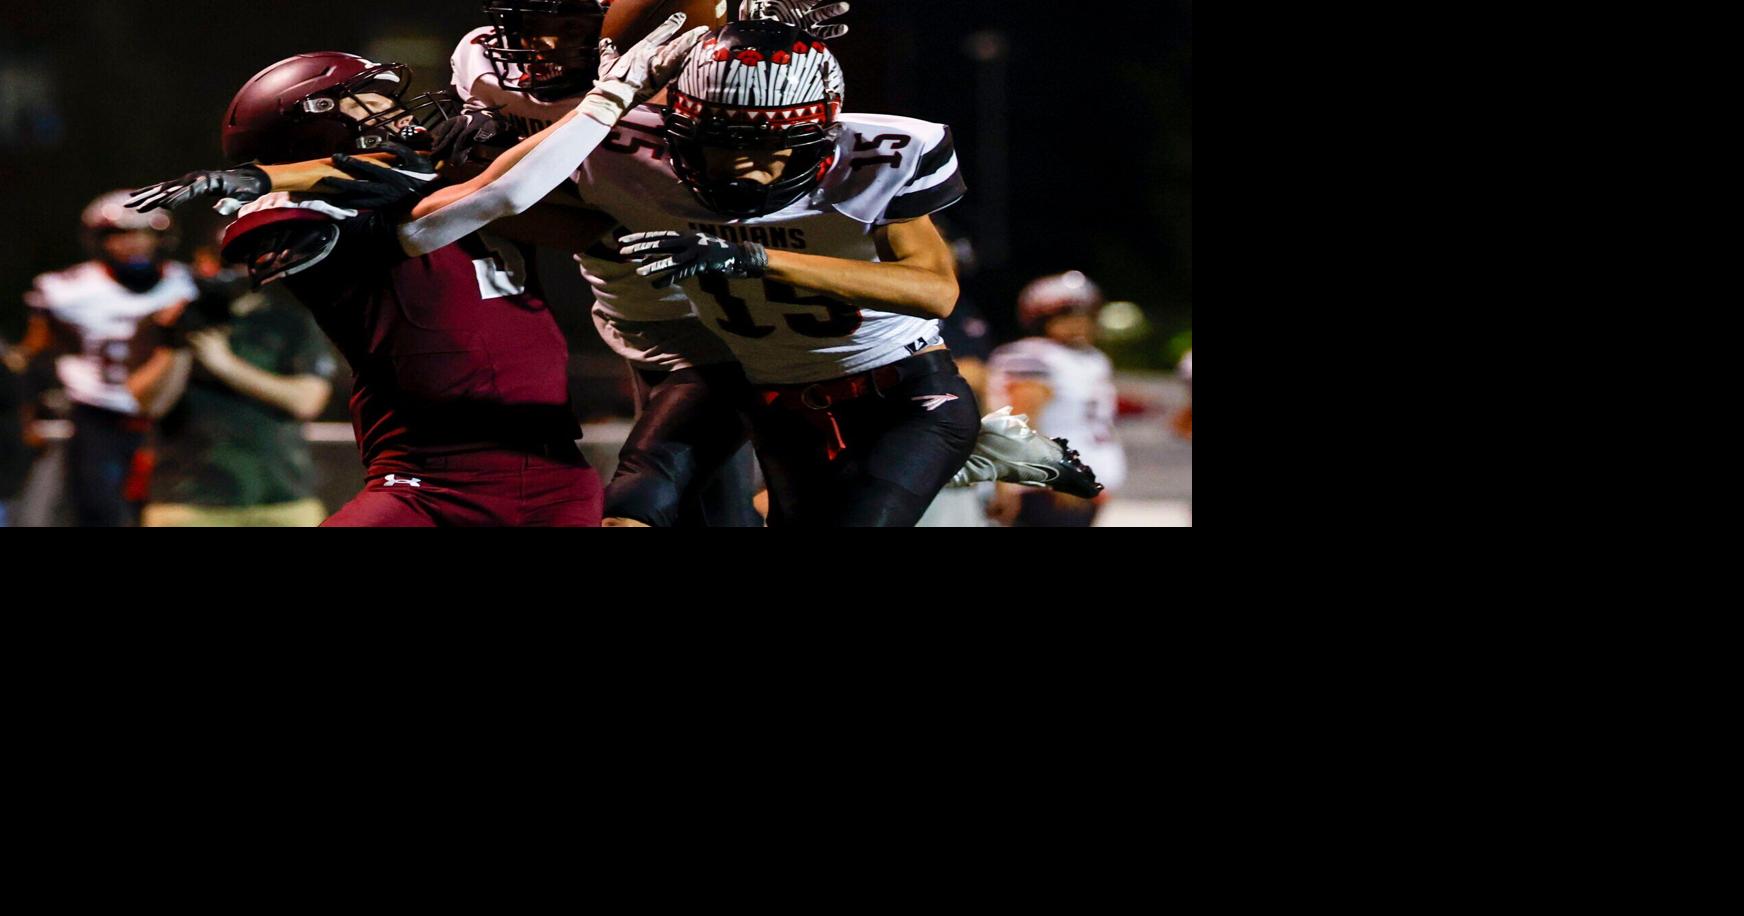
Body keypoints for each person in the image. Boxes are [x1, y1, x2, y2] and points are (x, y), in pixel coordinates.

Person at [129, 19, 705, 525]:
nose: (398, 114)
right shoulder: (300, 215)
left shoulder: (435, 173)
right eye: (369, 104)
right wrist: (612, 95)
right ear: (316, 128)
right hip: (428, 484)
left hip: (555, 473)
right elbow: (497, 195)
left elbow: (580, 226)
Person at [15, 192, 197, 525]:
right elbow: (33, 354)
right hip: (98, 414)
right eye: (121, 235)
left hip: (171, 415)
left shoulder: (187, 284)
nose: (135, 244)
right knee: (99, 513)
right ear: (99, 240)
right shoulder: (67, 289)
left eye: (145, 234)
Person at [140, 249, 338, 527]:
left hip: (282, 498)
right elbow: (149, 404)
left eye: (239, 262)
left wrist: (226, 365)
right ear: (200, 261)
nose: (228, 272)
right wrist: (175, 344)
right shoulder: (165, 320)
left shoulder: (292, 322)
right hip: (186, 501)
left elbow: (307, 402)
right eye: (220, 262)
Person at [987, 271, 1127, 527]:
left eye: (1085, 316)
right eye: (1066, 316)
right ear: (1040, 319)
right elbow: (1019, 424)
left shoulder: (1092, 359)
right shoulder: (1035, 356)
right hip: (1047, 490)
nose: (1078, 325)